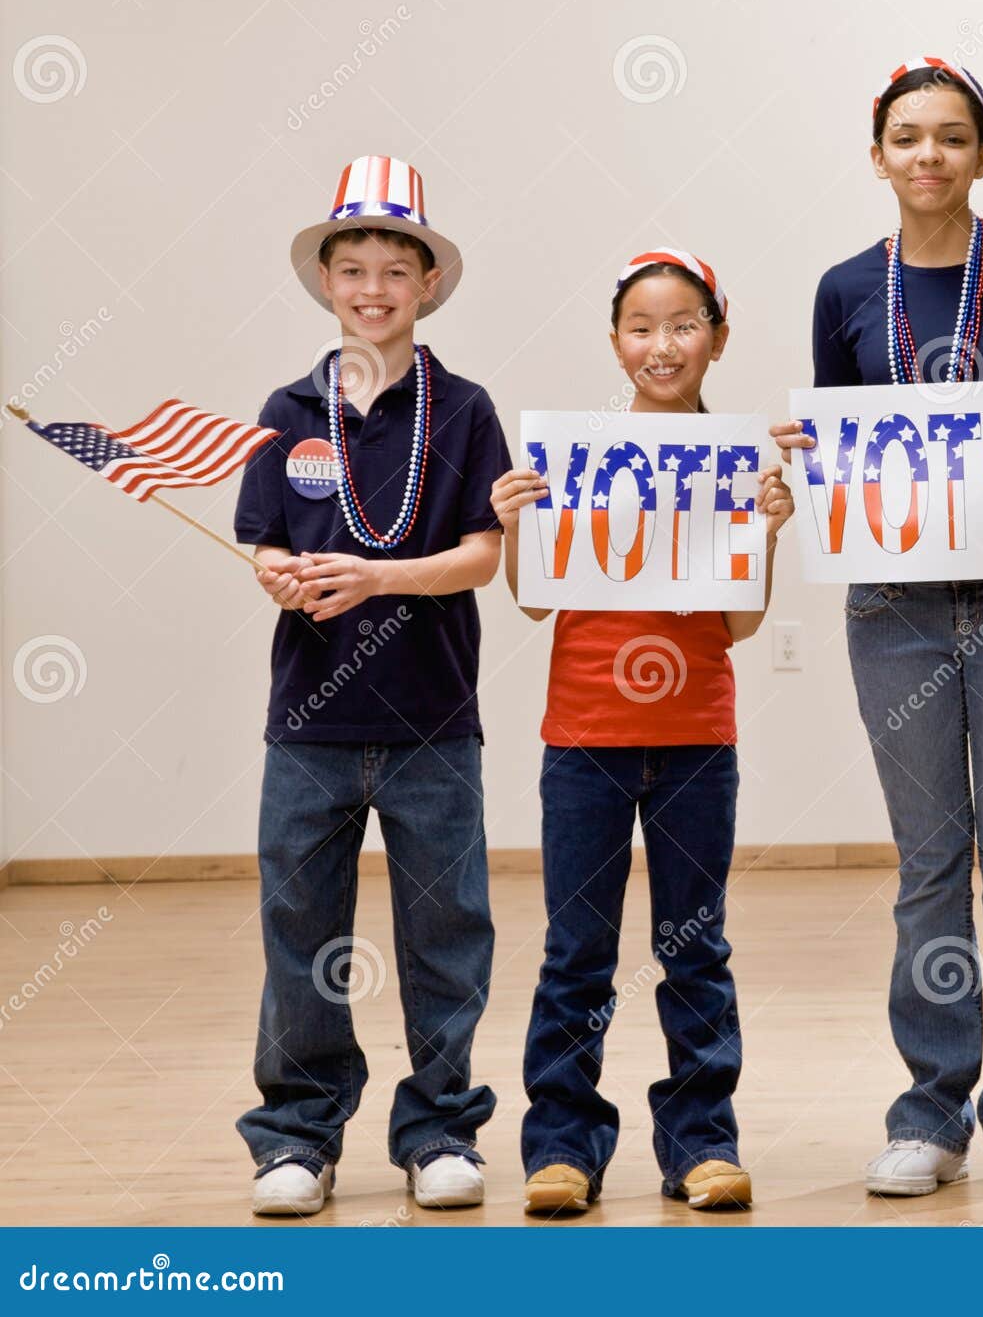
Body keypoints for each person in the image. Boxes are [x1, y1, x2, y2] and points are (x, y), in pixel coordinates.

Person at [771, 58, 983, 1199]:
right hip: (894, 606)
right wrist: (809, 459)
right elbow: (840, 437)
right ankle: (929, 1109)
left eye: (952, 136)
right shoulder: (843, 287)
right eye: (908, 137)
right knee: (928, 864)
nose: (930, 155)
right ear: (878, 156)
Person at [234, 156, 509, 1216]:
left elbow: (481, 555)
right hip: (309, 722)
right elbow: (263, 542)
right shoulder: (287, 408)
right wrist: (280, 575)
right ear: (326, 281)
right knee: (301, 927)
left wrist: (378, 576)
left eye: (396, 269)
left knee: (448, 932)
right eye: (353, 269)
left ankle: (441, 1129)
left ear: (428, 283)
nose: (373, 288)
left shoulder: (466, 409)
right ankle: (296, 1136)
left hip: (433, 717)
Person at [492, 249, 794, 1215]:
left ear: (718, 336)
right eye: (641, 327)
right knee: (576, 948)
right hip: (585, 732)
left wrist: (765, 533)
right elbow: (534, 602)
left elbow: (739, 624)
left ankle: (702, 1140)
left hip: (697, 734)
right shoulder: (576, 455)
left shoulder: (737, 461)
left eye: (683, 325)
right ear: (616, 341)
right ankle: (561, 1144)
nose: (662, 345)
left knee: (694, 945)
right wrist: (516, 525)